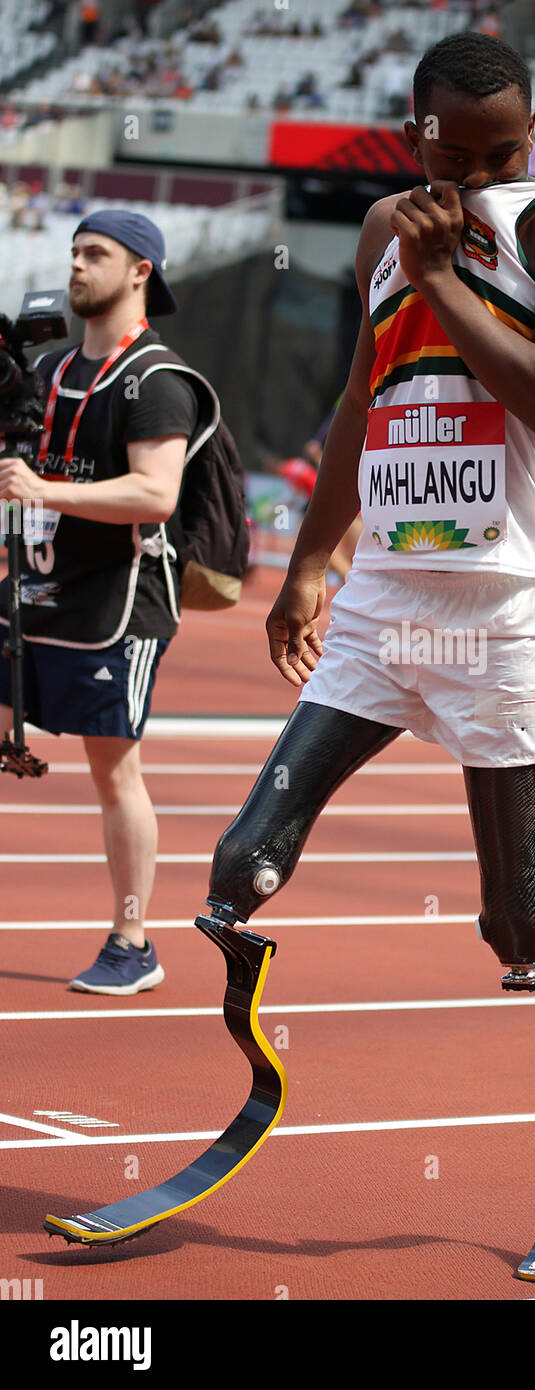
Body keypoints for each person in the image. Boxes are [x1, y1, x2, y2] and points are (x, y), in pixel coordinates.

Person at [199, 28, 535, 1018]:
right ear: (414, 136)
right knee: (245, 853)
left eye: (502, 155)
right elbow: (359, 401)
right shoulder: (381, 229)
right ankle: (234, 968)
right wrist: (310, 562)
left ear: (531, 136)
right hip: (388, 593)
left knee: (510, 909)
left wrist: (440, 278)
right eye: (451, 158)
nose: (476, 176)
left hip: (509, 604)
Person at [0, 210, 203, 994]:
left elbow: (157, 491)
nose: (77, 266)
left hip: (117, 601)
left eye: (97, 254)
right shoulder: (46, 370)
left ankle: (133, 941)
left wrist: (46, 488)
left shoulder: (156, 378)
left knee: (113, 769)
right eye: (75, 252)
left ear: (141, 271)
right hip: (31, 585)